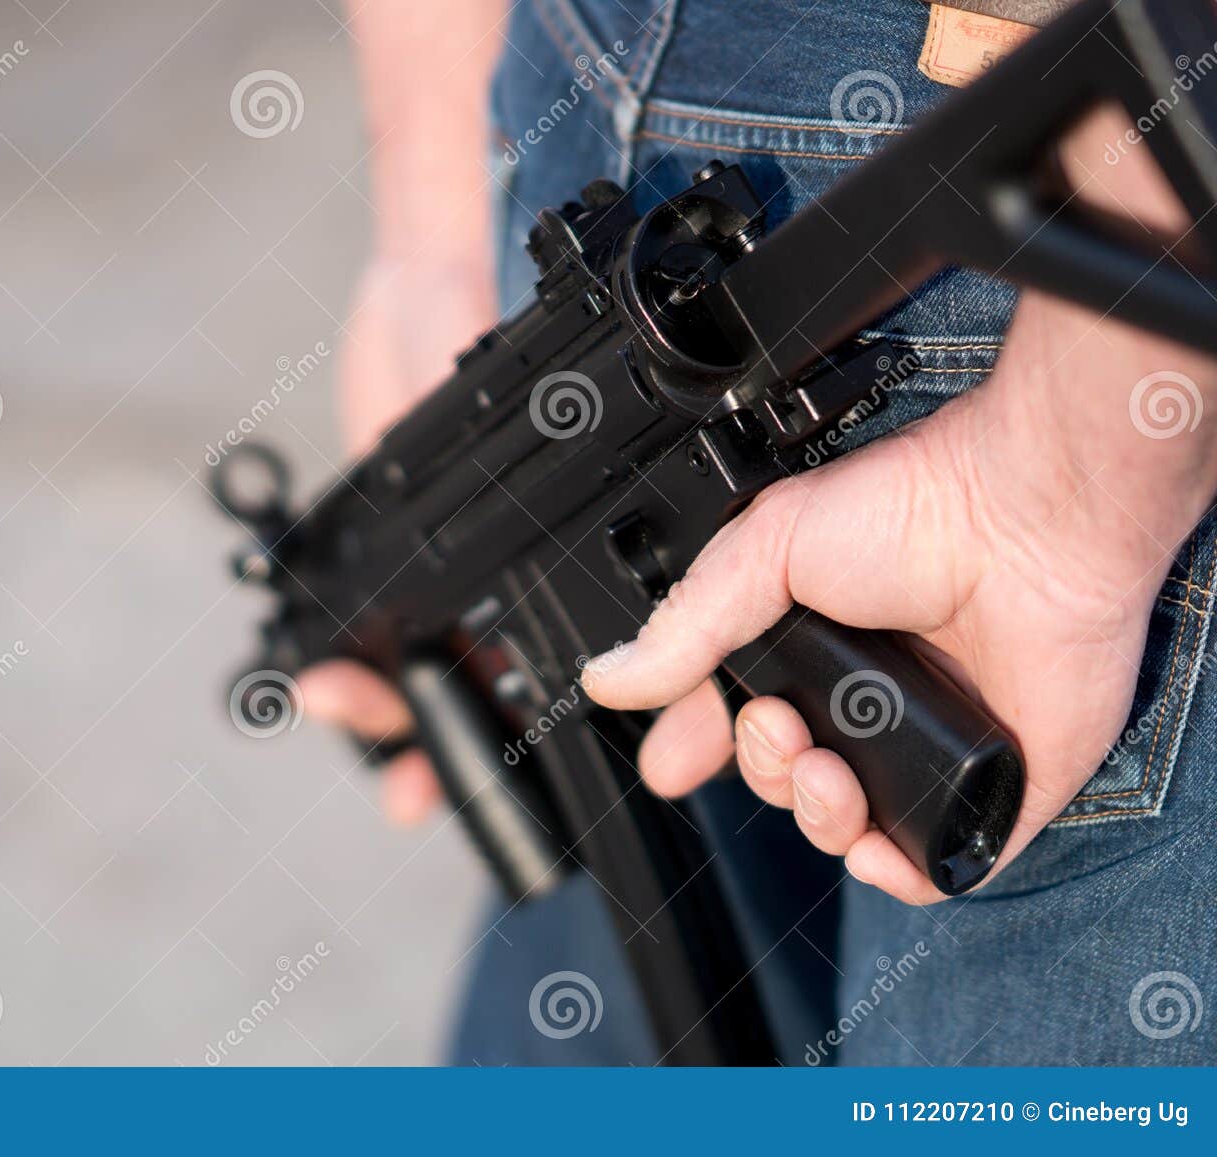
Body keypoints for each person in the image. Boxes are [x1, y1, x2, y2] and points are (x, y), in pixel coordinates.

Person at [298, 0, 1217, 1064]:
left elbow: (1164, 63)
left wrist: (1069, 481)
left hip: (1052, 204)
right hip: (596, 95)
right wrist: (435, 231)